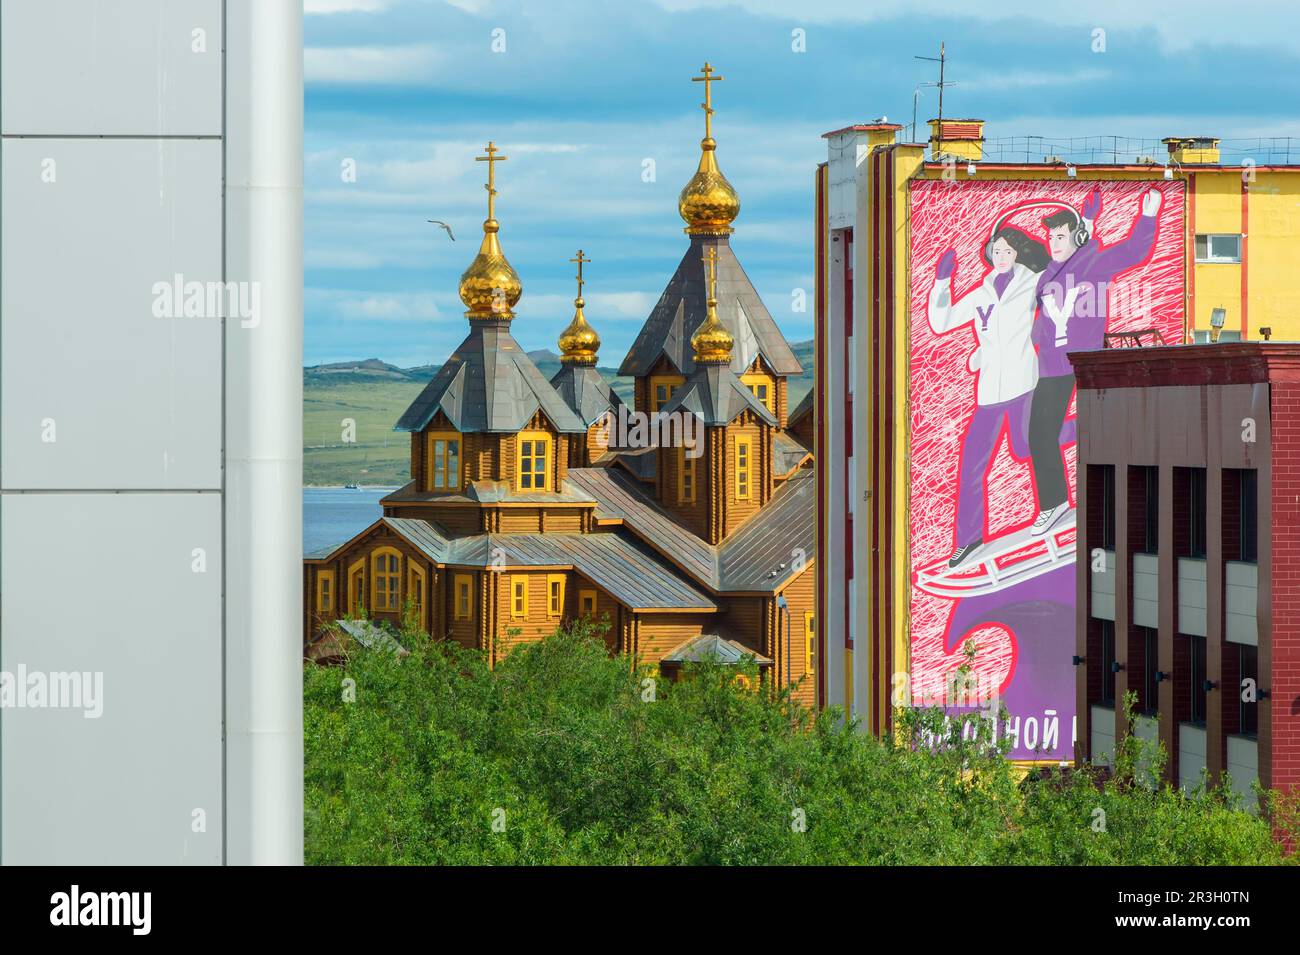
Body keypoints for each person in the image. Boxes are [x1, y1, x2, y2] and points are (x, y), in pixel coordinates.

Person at [1027, 186, 1162, 536]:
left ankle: (1118, 494)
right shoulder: (1045, 277)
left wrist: (1147, 216)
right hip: (1053, 367)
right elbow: (1039, 320)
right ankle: (1054, 503)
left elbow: (1133, 251)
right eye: (1050, 236)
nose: (1053, 242)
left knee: (1104, 430)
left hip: (1087, 363)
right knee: (1039, 434)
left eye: (1061, 235)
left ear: (1078, 237)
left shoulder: (1095, 263)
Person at [928, 225, 1049, 568]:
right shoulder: (981, 294)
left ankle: (1069, 445)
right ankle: (969, 540)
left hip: (1024, 383)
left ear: (1018, 255)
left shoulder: (1032, 282)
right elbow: (942, 322)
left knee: (1026, 448)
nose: (1001, 257)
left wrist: (1085, 227)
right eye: (996, 251)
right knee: (971, 466)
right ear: (989, 254)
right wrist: (941, 282)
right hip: (989, 393)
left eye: (1008, 252)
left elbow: (1064, 280)